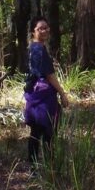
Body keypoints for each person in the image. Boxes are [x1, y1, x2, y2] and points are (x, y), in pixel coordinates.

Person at [23, 16, 69, 166]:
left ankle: (34, 165)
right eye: (40, 28)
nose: (44, 31)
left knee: (36, 131)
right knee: (47, 130)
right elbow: (50, 75)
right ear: (33, 32)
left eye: (46, 28)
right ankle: (49, 166)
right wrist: (62, 93)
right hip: (42, 95)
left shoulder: (33, 48)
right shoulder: (38, 49)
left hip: (34, 92)